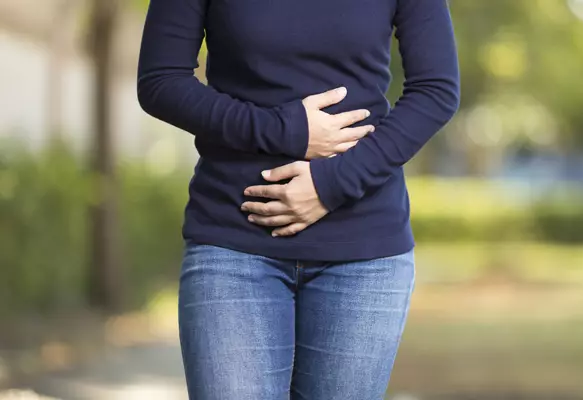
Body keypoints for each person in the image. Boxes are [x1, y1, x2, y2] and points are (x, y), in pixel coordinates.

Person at [137, 0, 459, 397]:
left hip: (364, 253)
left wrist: (332, 184)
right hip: (233, 239)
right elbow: (161, 81)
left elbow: (436, 91)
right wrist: (283, 130)